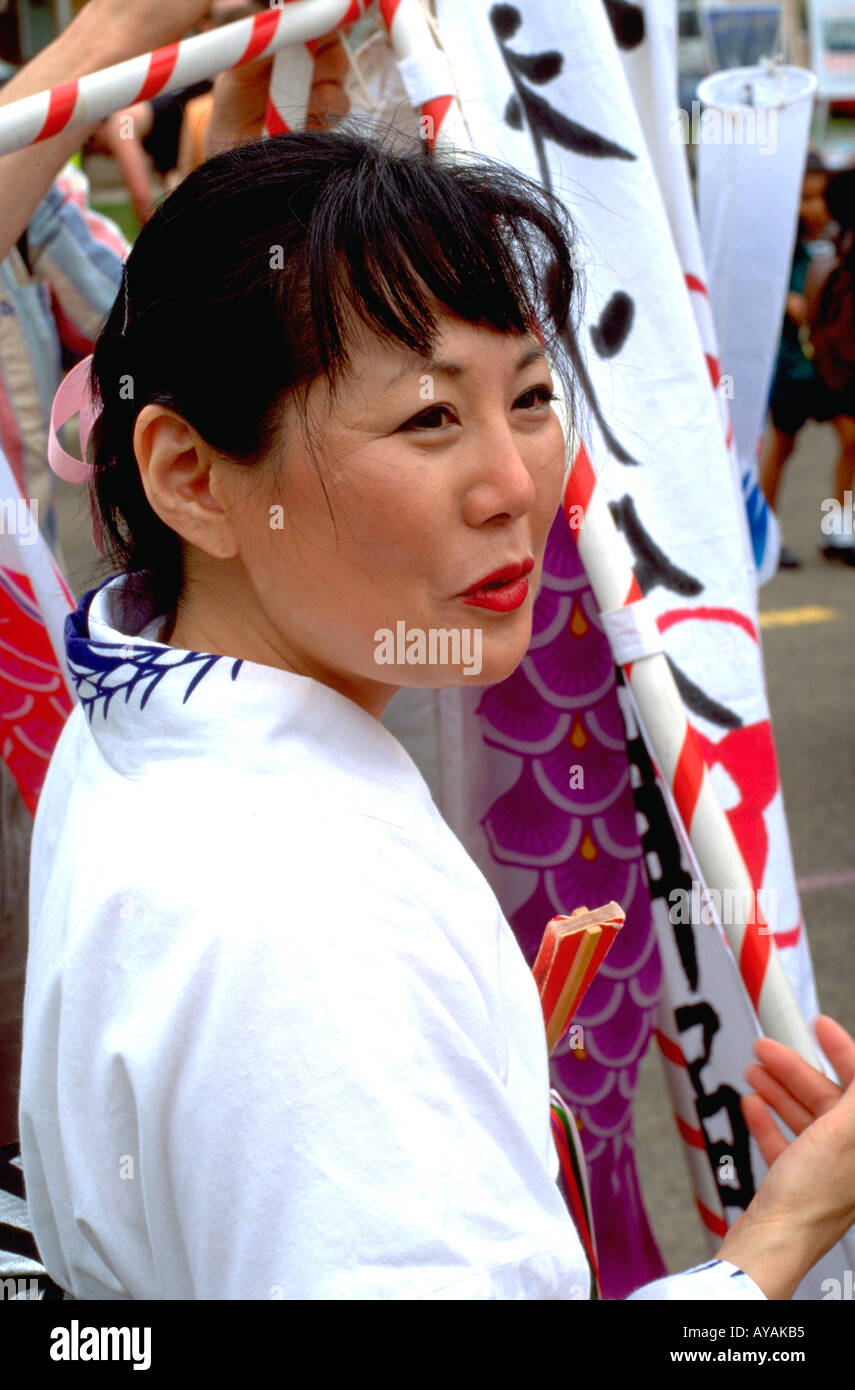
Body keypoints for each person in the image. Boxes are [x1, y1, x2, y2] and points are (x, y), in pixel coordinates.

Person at [17, 124, 855, 1301]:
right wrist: (783, 1237)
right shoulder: (313, 926)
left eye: (529, 396)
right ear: (193, 477)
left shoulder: (129, 706)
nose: (517, 483)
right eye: (428, 418)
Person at [758, 155, 855, 568]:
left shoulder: (840, 239)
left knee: (852, 440)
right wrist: (787, 301)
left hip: (831, 366)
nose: (810, 207)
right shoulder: (781, 244)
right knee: (783, 446)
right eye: (802, 198)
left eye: (816, 197)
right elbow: (760, 288)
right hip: (792, 363)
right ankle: (765, 532)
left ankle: (838, 525)